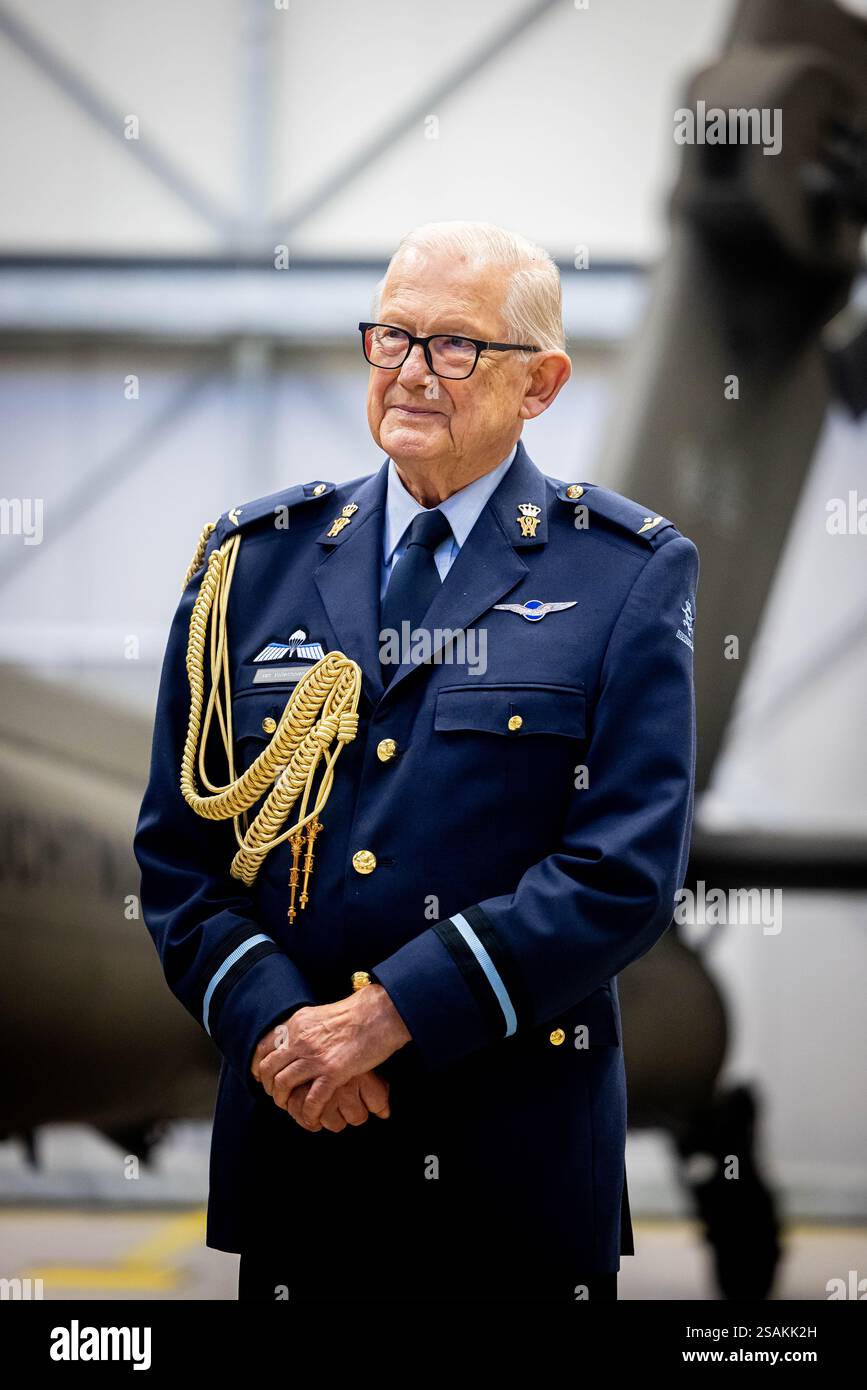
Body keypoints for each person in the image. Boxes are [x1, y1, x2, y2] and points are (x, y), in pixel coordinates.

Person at [133, 220, 699, 1303]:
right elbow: (179, 860)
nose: (411, 373)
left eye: (454, 346)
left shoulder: (625, 574)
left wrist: (388, 1015)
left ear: (541, 384)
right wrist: (286, 1028)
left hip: (513, 1191)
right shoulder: (252, 565)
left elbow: (623, 874)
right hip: (301, 1161)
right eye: (391, 337)